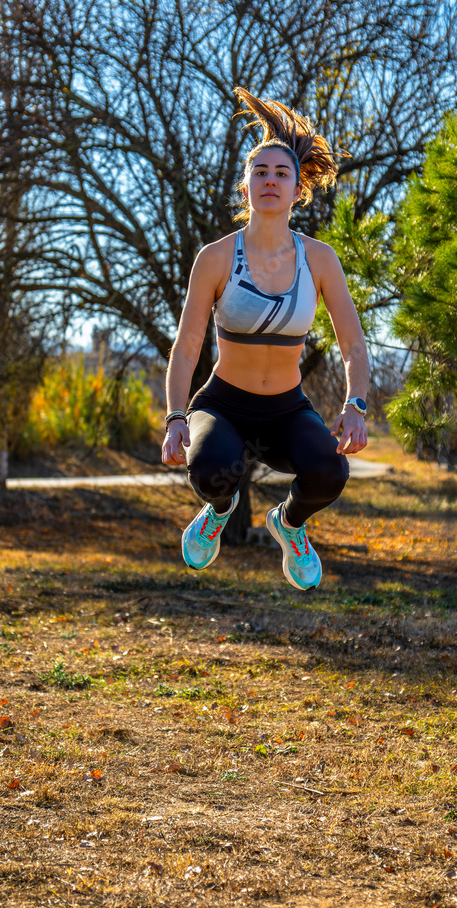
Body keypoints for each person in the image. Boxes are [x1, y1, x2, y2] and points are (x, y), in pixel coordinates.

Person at [162, 87, 370, 590]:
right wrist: (174, 417)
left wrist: (356, 404)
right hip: (225, 405)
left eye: (282, 173)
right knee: (209, 467)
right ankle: (218, 511)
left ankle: (289, 525)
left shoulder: (319, 260)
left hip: (285, 410)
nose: (270, 181)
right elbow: (187, 346)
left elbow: (354, 346)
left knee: (330, 473)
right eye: (260, 172)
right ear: (246, 187)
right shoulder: (215, 258)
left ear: (299, 189)